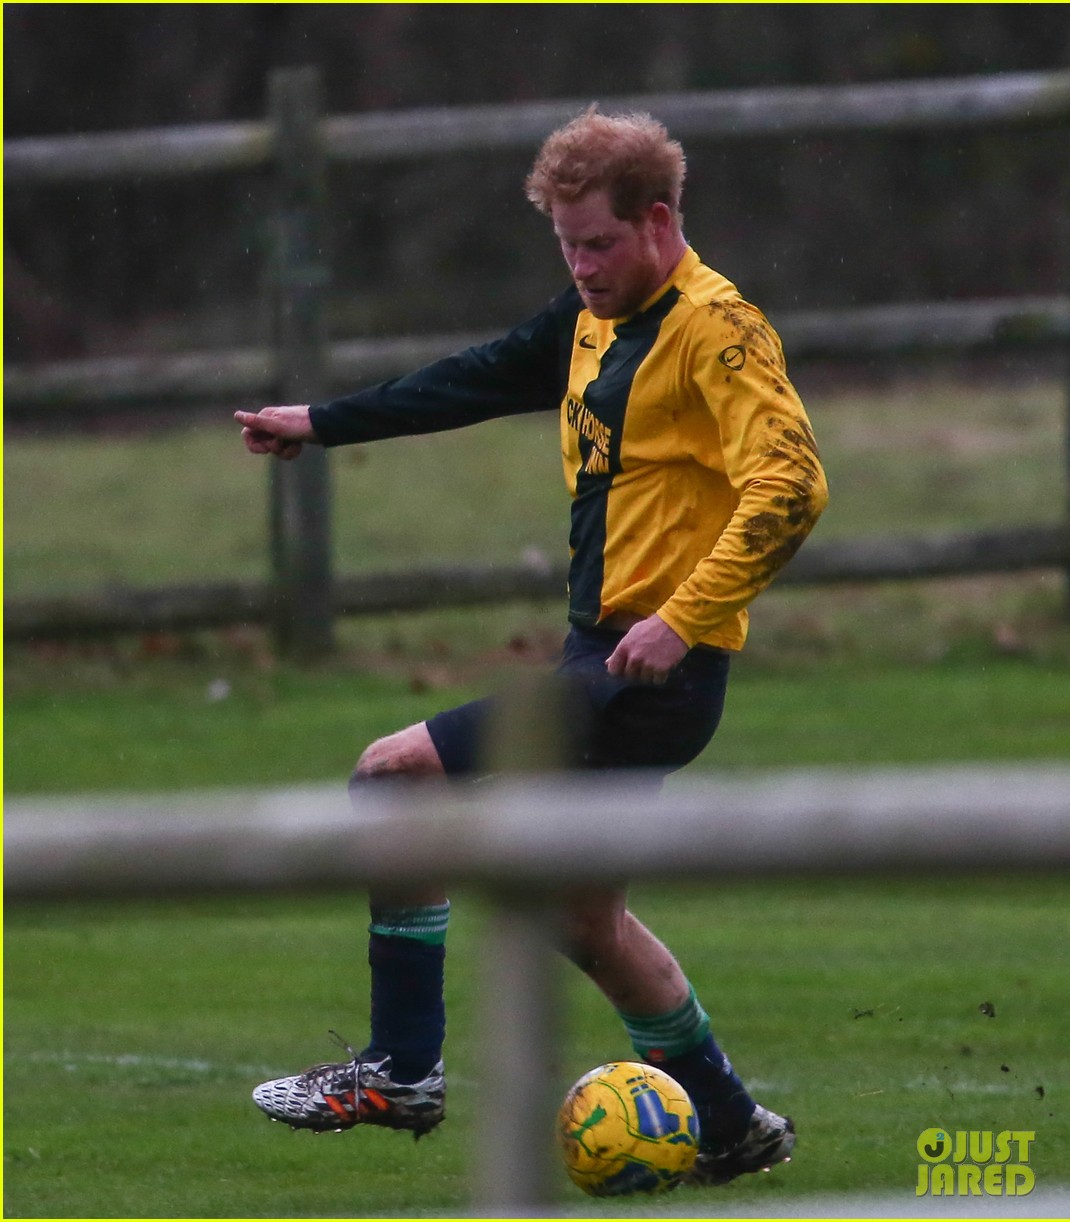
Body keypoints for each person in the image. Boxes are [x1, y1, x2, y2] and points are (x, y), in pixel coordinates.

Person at [235, 106, 827, 1186]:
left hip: (645, 674)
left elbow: (792, 486)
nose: (582, 265)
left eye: (597, 243)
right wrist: (320, 421)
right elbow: (477, 374)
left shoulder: (720, 331)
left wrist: (682, 617)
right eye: (564, 245)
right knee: (581, 914)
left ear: (658, 221)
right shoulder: (593, 319)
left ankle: (403, 1068)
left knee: (394, 775)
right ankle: (731, 1124)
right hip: (598, 661)